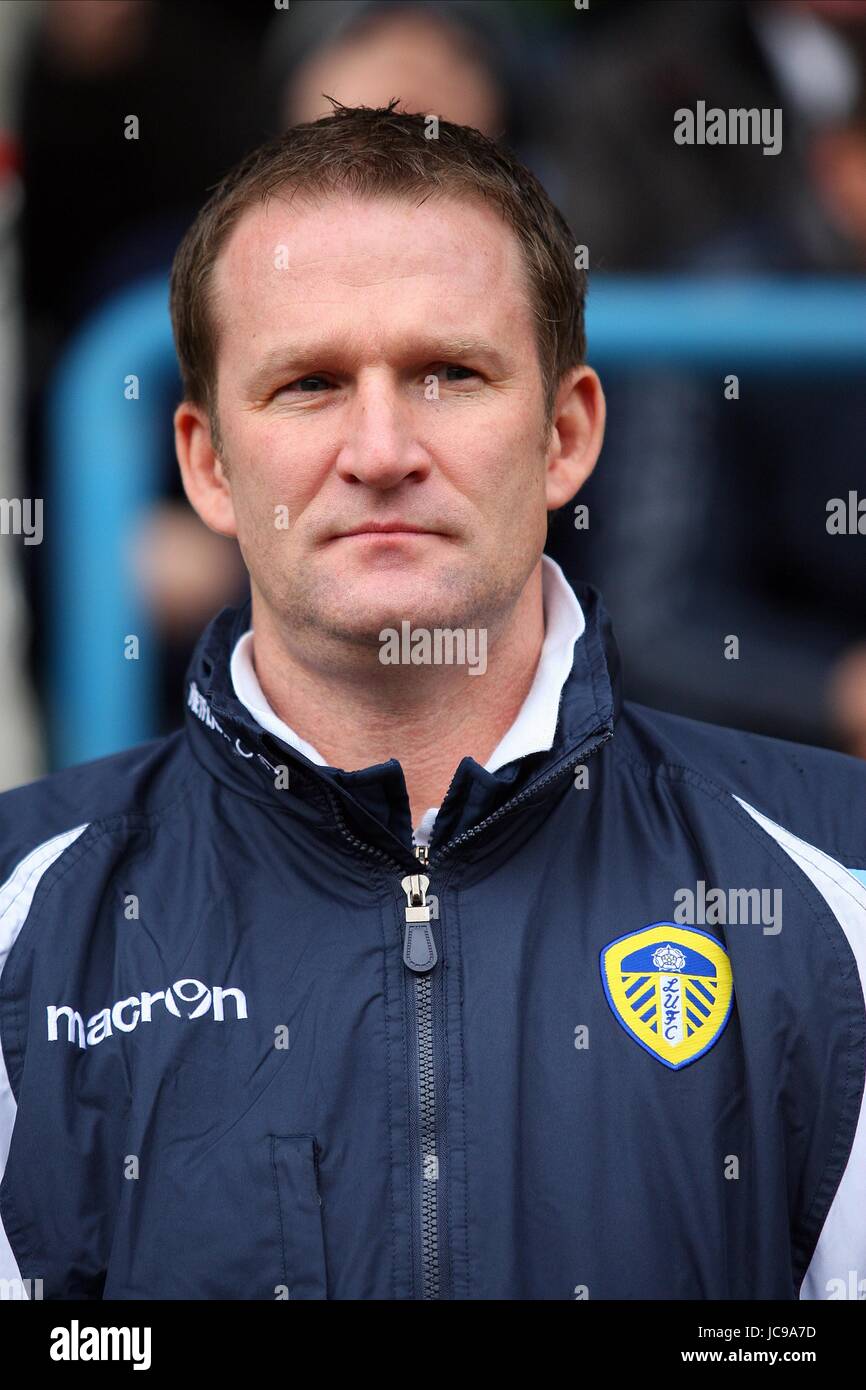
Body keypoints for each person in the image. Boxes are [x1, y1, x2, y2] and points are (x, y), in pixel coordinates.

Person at [0, 102, 864, 1302]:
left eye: (447, 374)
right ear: (205, 463)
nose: (379, 447)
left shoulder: (840, 884)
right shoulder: (20, 916)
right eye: (306, 384)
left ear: (565, 434)